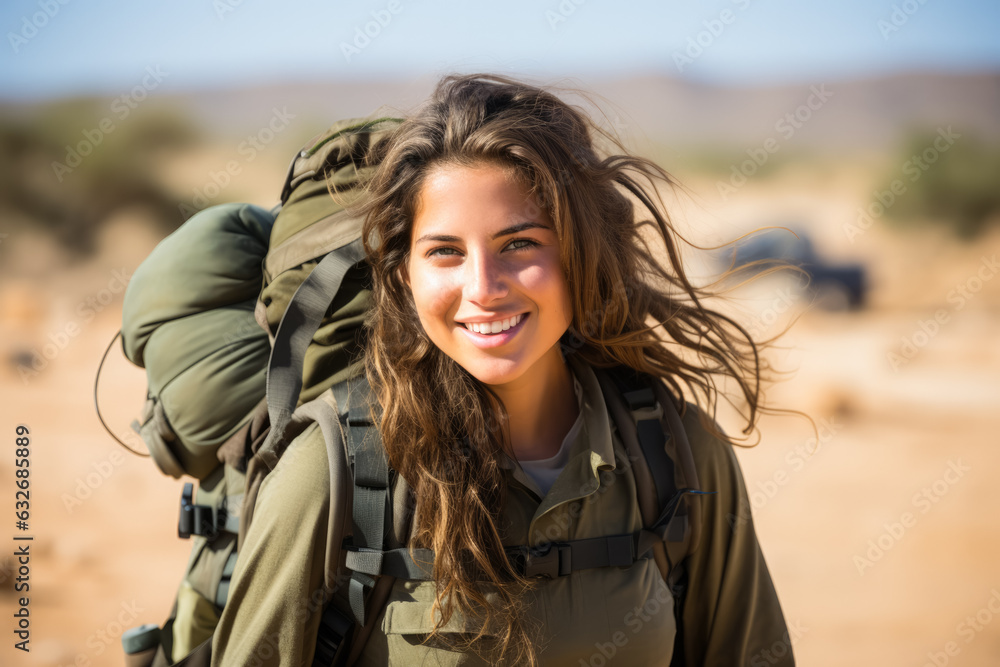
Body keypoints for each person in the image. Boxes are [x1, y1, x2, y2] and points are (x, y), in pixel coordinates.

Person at [212, 72, 796, 666]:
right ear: (404, 275)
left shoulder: (676, 457)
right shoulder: (336, 472)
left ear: (581, 254)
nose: (483, 289)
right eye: (445, 252)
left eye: (519, 245)